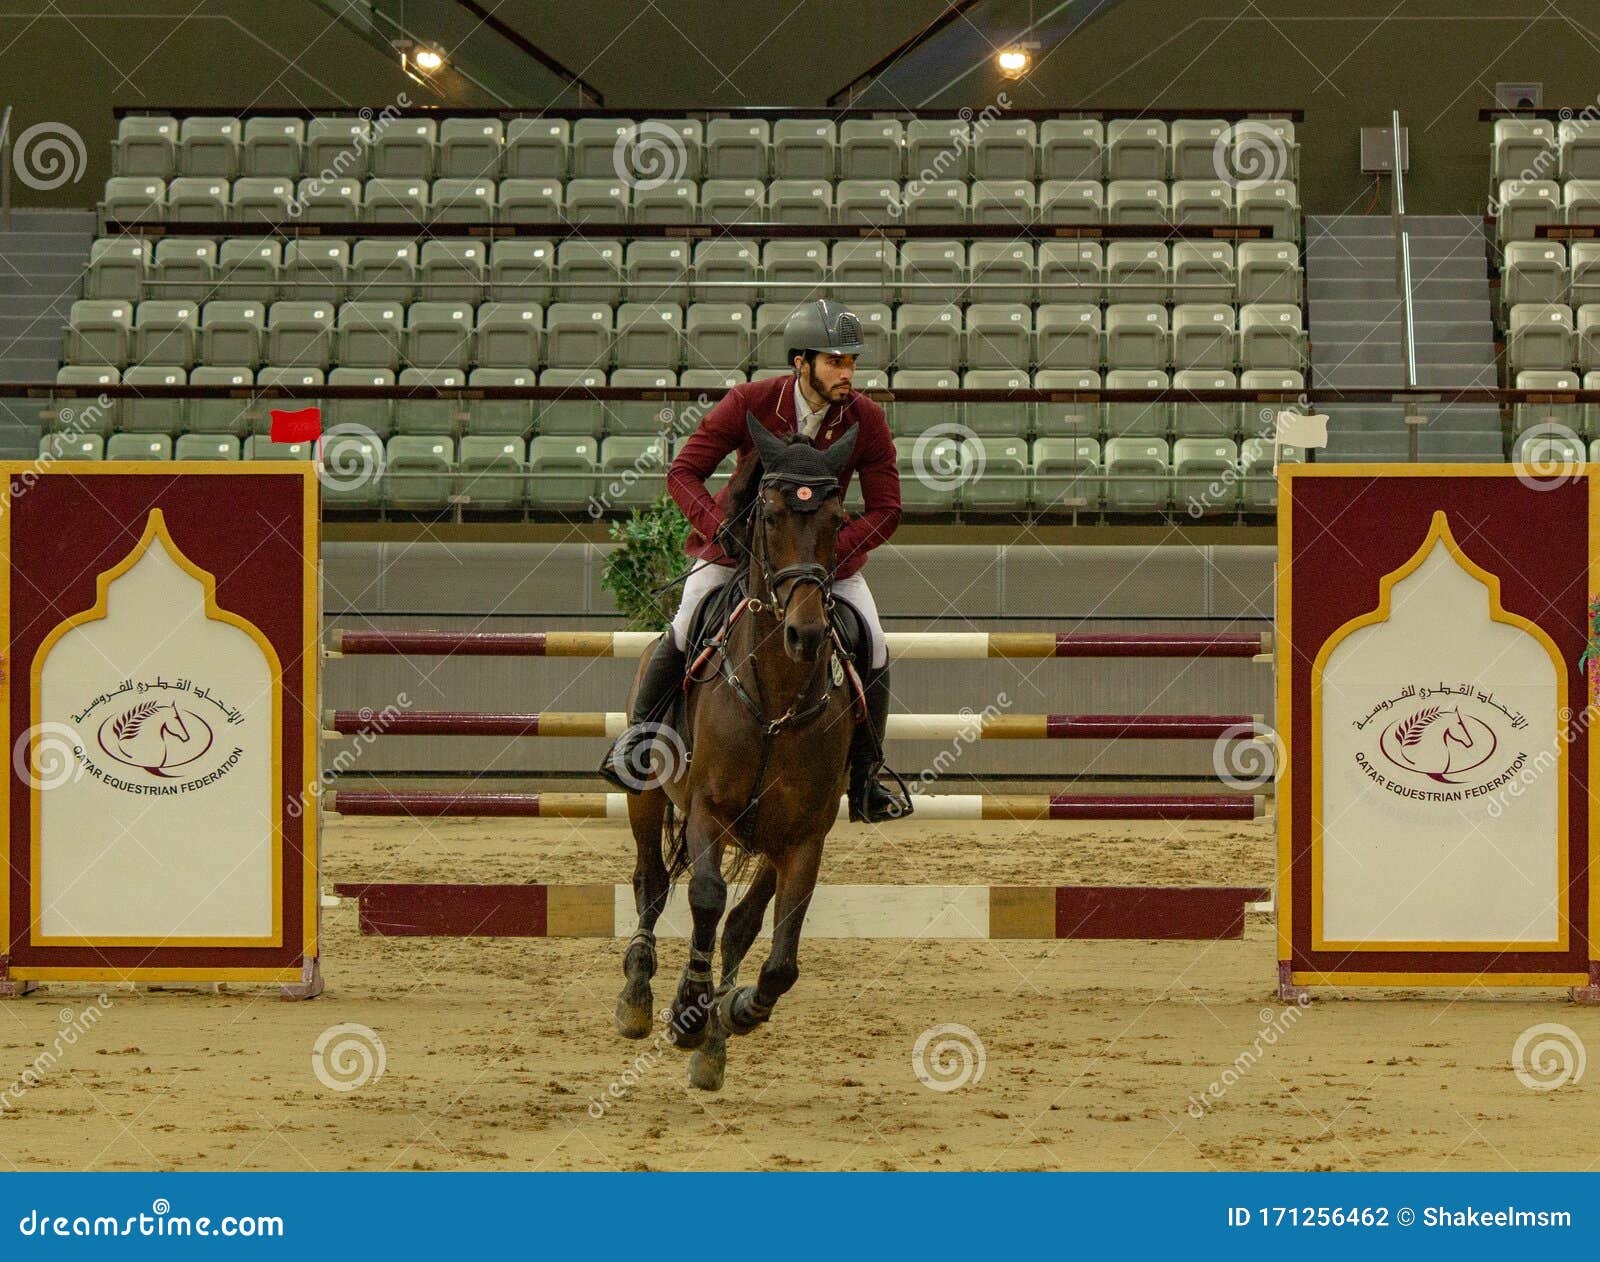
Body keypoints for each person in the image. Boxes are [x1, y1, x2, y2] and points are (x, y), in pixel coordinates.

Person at [600, 298, 909, 822]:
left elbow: (888, 510)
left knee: (874, 645)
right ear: (801, 363)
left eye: (852, 362)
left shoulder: (867, 420)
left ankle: (866, 777)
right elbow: (683, 472)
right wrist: (719, 528)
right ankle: (638, 742)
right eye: (835, 361)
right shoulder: (750, 401)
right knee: (685, 627)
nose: (847, 373)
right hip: (738, 550)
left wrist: (824, 554)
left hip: (821, 563)